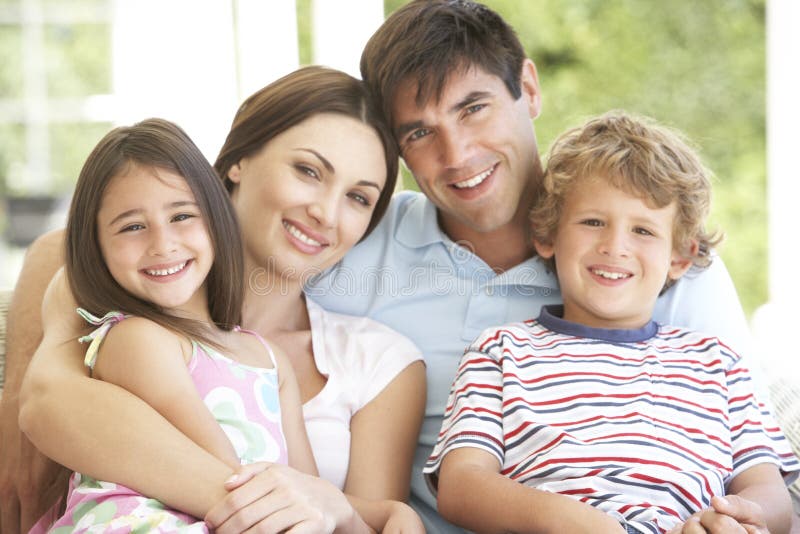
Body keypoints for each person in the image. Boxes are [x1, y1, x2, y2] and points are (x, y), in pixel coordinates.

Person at [305, 1, 782, 532]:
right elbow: (231, 303)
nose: (457, 154)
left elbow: (756, 474)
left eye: (473, 108)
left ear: (528, 88)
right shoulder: (353, 234)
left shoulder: (677, 278)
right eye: (418, 133)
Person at [12, 66, 426, 533]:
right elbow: (41, 414)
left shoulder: (373, 360)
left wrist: (382, 513)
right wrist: (267, 504)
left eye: (358, 198)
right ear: (239, 159)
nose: (325, 213)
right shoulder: (108, 289)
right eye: (307, 171)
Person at [422, 111, 800, 534]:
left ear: (680, 256)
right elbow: (460, 486)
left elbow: (772, 497)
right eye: (592, 222)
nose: (614, 246)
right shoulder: (501, 352)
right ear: (547, 235)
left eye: (643, 231)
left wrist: (733, 519)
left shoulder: (718, 363)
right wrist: (570, 520)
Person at [32, 117, 318, 531]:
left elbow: (305, 491)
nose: (162, 244)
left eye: (182, 216)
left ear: (216, 218)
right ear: (96, 248)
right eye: (132, 226)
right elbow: (224, 472)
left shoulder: (269, 360)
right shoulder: (135, 339)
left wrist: (381, 512)